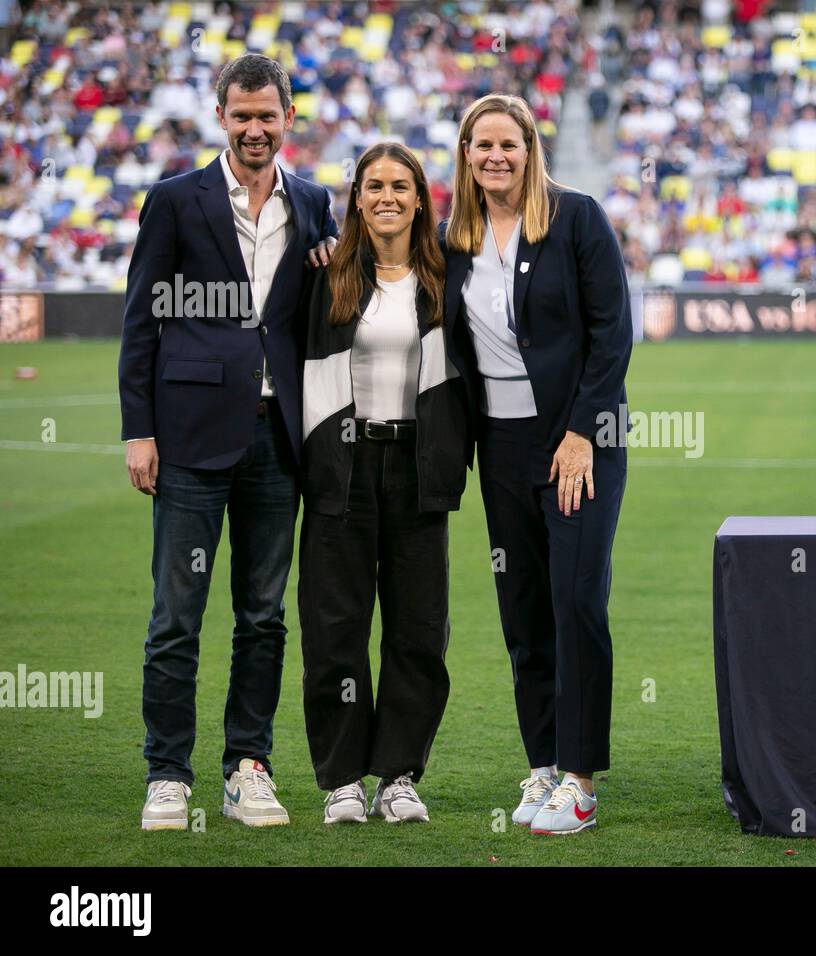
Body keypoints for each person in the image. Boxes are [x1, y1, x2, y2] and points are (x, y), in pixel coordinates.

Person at [118, 54, 337, 830]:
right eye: (241, 115)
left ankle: (249, 767)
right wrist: (138, 430)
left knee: (264, 615)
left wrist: (329, 264)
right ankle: (167, 774)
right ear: (221, 117)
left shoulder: (314, 204)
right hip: (187, 440)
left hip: (279, 439)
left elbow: (327, 305)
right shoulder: (176, 200)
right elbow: (142, 320)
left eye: (266, 116)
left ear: (287, 119)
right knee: (176, 615)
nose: (254, 129)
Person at [440, 93, 633, 835]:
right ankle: (544, 764)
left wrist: (582, 431)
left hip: (579, 440)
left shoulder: (576, 216)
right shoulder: (452, 236)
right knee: (522, 613)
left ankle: (580, 780)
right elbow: (387, 271)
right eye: (480, 145)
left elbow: (612, 332)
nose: (494, 156)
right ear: (465, 153)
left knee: (576, 601)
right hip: (501, 446)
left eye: (508, 145)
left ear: (530, 150)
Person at [297, 142, 472, 824]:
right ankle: (342, 779)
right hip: (342, 467)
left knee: (418, 630)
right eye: (374, 185)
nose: (387, 196)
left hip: (418, 467)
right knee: (334, 627)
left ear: (421, 198)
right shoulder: (325, 274)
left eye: (401, 185)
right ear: (358, 198)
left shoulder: (445, 276)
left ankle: (398, 776)